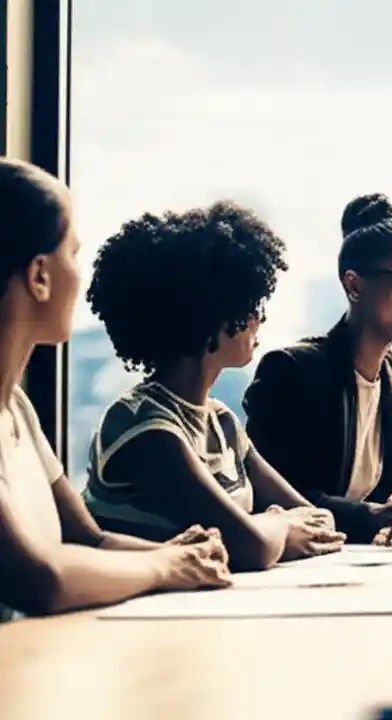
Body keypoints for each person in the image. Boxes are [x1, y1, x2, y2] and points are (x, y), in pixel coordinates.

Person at [0, 158, 230, 619]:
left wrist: (180, 555)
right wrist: (164, 566)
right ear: (39, 275)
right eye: (74, 253)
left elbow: (88, 539)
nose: (78, 274)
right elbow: (39, 580)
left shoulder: (18, 408)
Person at [82, 201, 345, 571]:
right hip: (141, 619)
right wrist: (278, 524)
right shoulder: (144, 430)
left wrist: (276, 529)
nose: (259, 319)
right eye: (249, 306)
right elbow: (251, 547)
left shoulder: (221, 422)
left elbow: (317, 520)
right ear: (209, 322)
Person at [243, 194, 392, 544]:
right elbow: (272, 496)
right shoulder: (291, 371)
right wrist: (373, 516)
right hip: (295, 562)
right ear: (354, 284)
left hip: (362, 566)